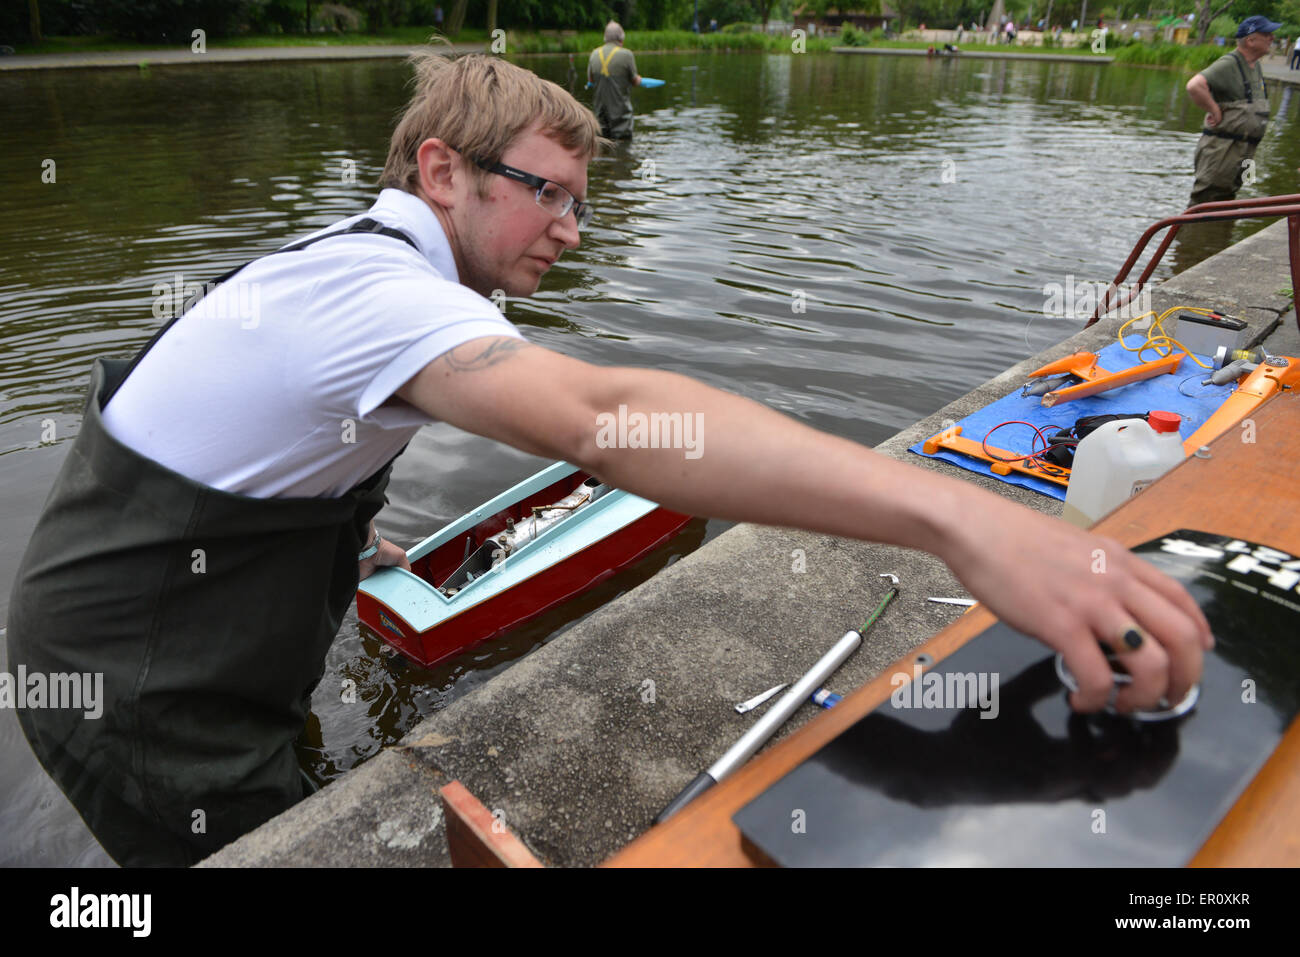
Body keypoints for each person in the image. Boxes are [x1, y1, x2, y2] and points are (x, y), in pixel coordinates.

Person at [7, 51, 1212, 867]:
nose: (571, 236)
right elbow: (607, 419)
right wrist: (967, 522)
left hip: (164, 611)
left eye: (582, 205)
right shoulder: (373, 297)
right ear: (440, 170)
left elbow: (237, 425)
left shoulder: (350, 275)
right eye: (550, 198)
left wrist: (326, 521)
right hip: (134, 687)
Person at [1185, 15, 1278, 207]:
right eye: (1267, 34)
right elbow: (1194, 86)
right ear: (1251, 40)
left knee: (1231, 196)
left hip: (1247, 150)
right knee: (1207, 198)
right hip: (1223, 150)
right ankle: (1194, 237)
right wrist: (1214, 109)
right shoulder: (1229, 63)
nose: (1272, 38)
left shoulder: (1256, 66)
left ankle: (1219, 236)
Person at [588, 20, 640, 139]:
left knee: (602, 144)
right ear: (621, 39)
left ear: (605, 38)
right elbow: (634, 81)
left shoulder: (594, 54)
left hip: (599, 116)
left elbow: (591, 80)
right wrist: (639, 79)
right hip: (621, 118)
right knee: (623, 147)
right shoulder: (627, 55)